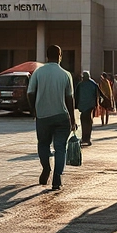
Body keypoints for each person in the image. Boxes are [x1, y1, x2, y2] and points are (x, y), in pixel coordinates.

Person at [25, 45, 76, 189]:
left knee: (43, 144)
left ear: (47, 56)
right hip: (61, 116)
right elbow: (69, 99)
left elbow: (30, 92)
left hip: (43, 116)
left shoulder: (38, 72)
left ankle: (46, 168)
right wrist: (72, 118)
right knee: (60, 148)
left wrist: (34, 110)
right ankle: (57, 179)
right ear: (60, 56)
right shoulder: (66, 74)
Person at [75, 70, 101, 146]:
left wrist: (76, 105)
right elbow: (97, 94)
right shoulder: (93, 84)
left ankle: (84, 138)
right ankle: (87, 138)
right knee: (88, 122)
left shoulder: (80, 84)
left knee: (84, 122)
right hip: (90, 106)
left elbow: (76, 95)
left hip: (84, 106)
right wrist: (96, 104)